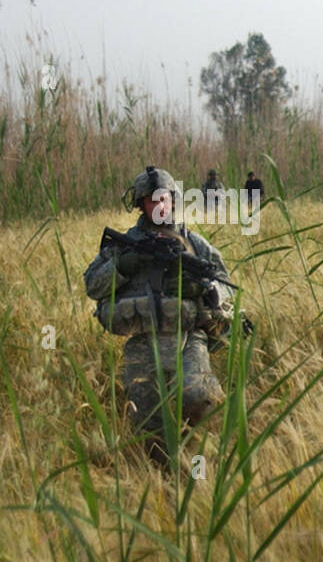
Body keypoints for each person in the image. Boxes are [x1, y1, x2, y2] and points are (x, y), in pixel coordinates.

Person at [84, 165, 236, 463]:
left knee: (198, 397)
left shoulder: (192, 242)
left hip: (188, 337)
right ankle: (160, 474)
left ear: (174, 200)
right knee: (147, 422)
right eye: (153, 200)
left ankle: (199, 459)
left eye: (165, 199)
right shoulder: (124, 246)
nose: (160, 206)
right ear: (142, 204)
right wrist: (123, 266)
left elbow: (226, 283)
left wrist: (208, 289)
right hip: (143, 340)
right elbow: (92, 285)